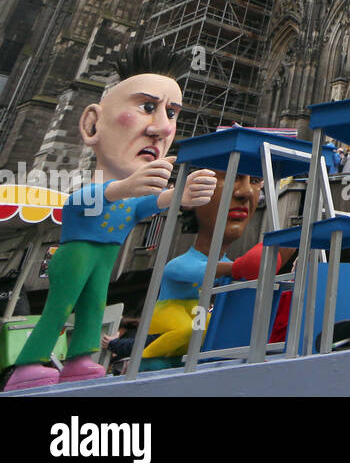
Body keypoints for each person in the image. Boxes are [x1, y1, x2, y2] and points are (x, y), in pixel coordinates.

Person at [5, 44, 217, 392]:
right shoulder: (101, 190)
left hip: (106, 258)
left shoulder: (133, 194)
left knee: (93, 309)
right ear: (92, 124)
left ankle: (80, 360)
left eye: (172, 113)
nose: (162, 128)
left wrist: (182, 194)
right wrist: (125, 187)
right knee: (59, 310)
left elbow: (150, 206)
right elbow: (77, 204)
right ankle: (29, 363)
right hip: (74, 256)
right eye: (147, 107)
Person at [140, 169, 264, 369]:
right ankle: (142, 356)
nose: (247, 192)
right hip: (170, 315)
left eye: (256, 180)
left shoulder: (225, 268)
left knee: (206, 328)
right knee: (189, 330)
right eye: (231, 178)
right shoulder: (178, 265)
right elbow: (204, 271)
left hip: (196, 316)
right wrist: (241, 267)